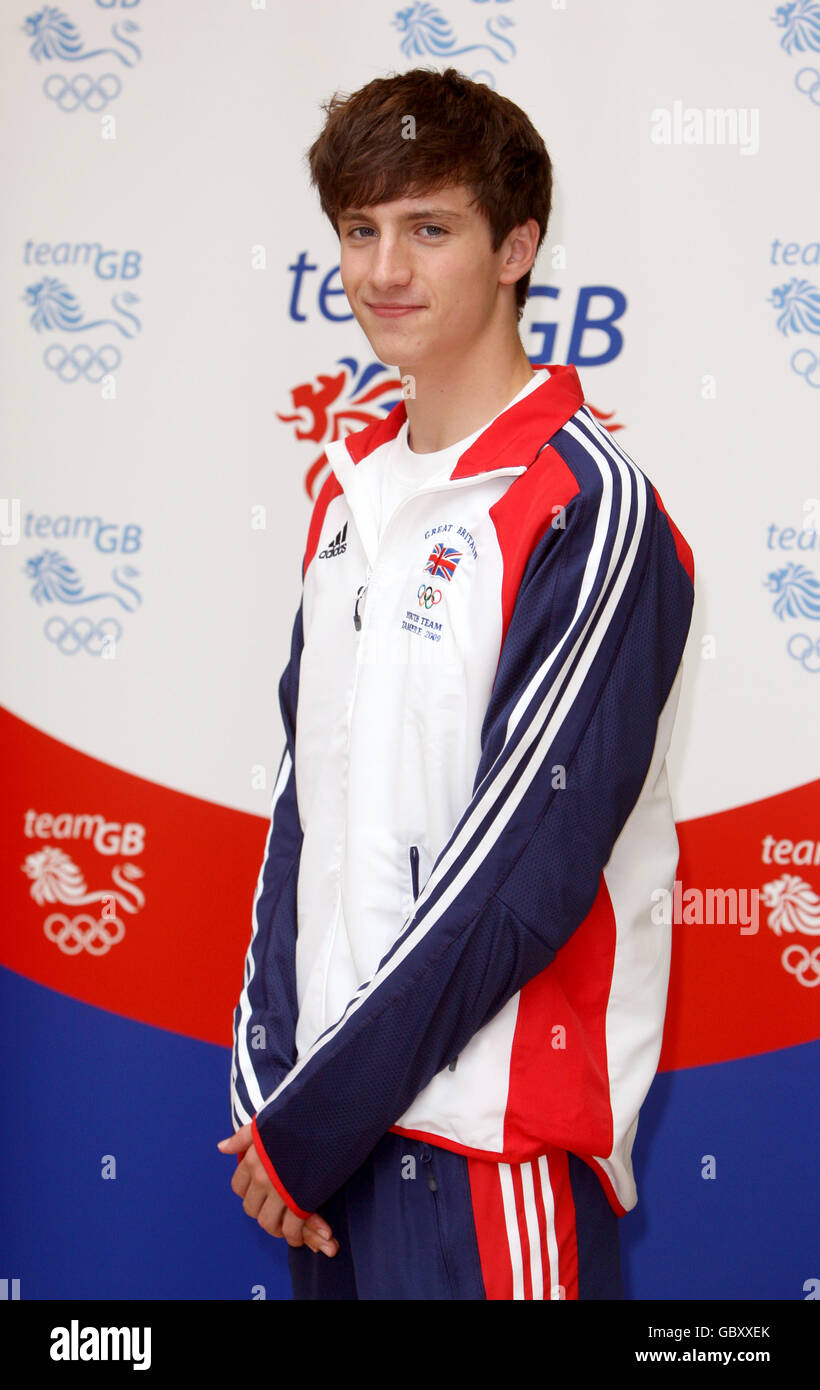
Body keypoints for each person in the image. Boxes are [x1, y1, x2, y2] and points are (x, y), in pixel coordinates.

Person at [218, 66, 695, 1300]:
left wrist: (310, 1126)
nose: (385, 270)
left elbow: (516, 883)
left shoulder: (589, 510)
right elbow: (299, 810)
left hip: (492, 1162)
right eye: (361, 231)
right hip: (326, 1156)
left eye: (429, 229)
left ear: (515, 248)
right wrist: (273, 1095)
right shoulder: (350, 492)